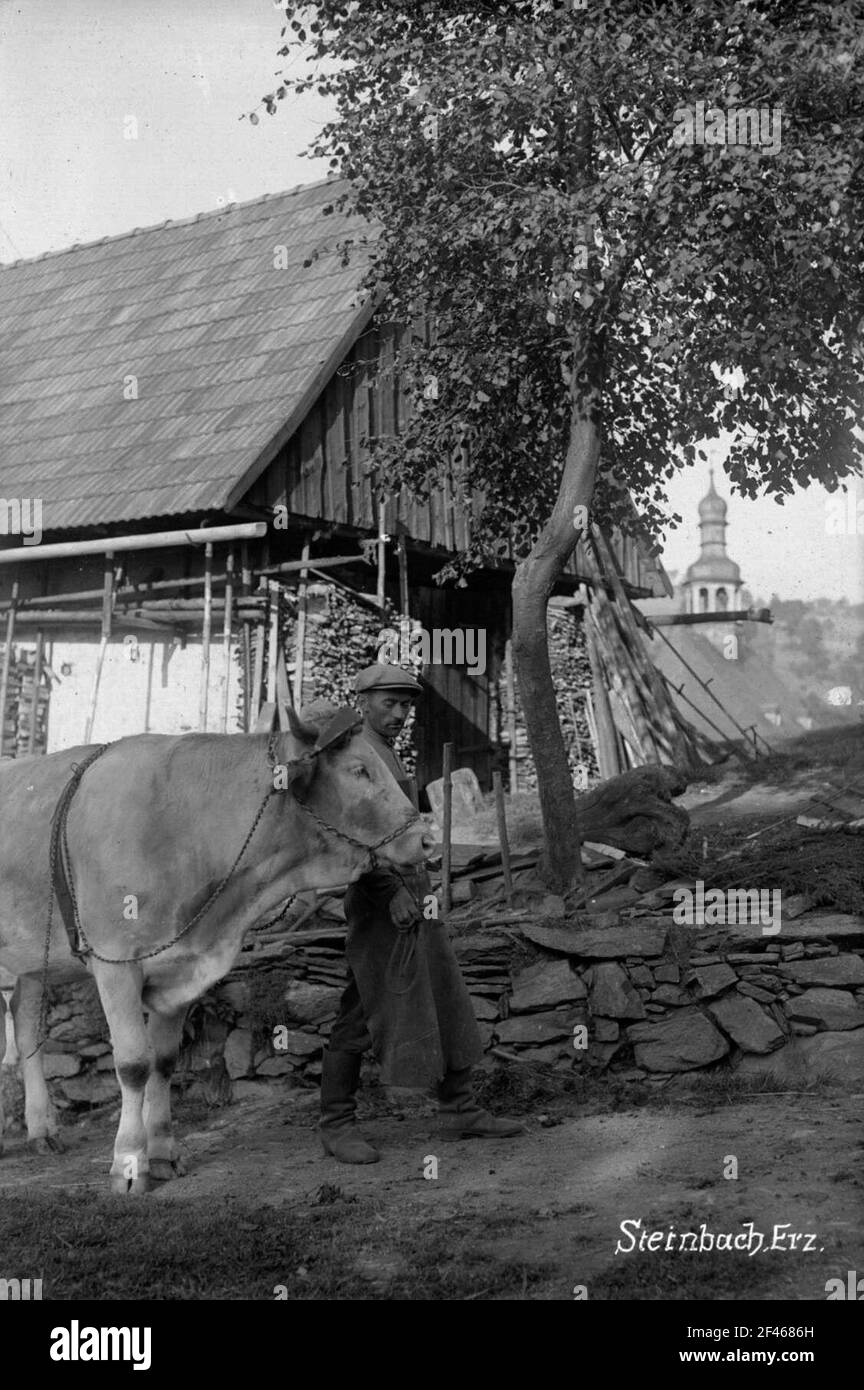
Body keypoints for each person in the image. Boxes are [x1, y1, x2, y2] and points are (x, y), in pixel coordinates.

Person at [319, 662, 523, 1163]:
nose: (399, 713)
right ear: (362, 702)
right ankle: (336, 1124)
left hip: (414, 893)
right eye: (388, 703)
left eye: (406, 704)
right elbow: (344, 835)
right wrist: (388, 890)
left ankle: (460, 1109)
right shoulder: (351, 755)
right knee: (362, 1010)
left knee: (443, 994)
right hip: (379, 900)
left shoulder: (385, 752)